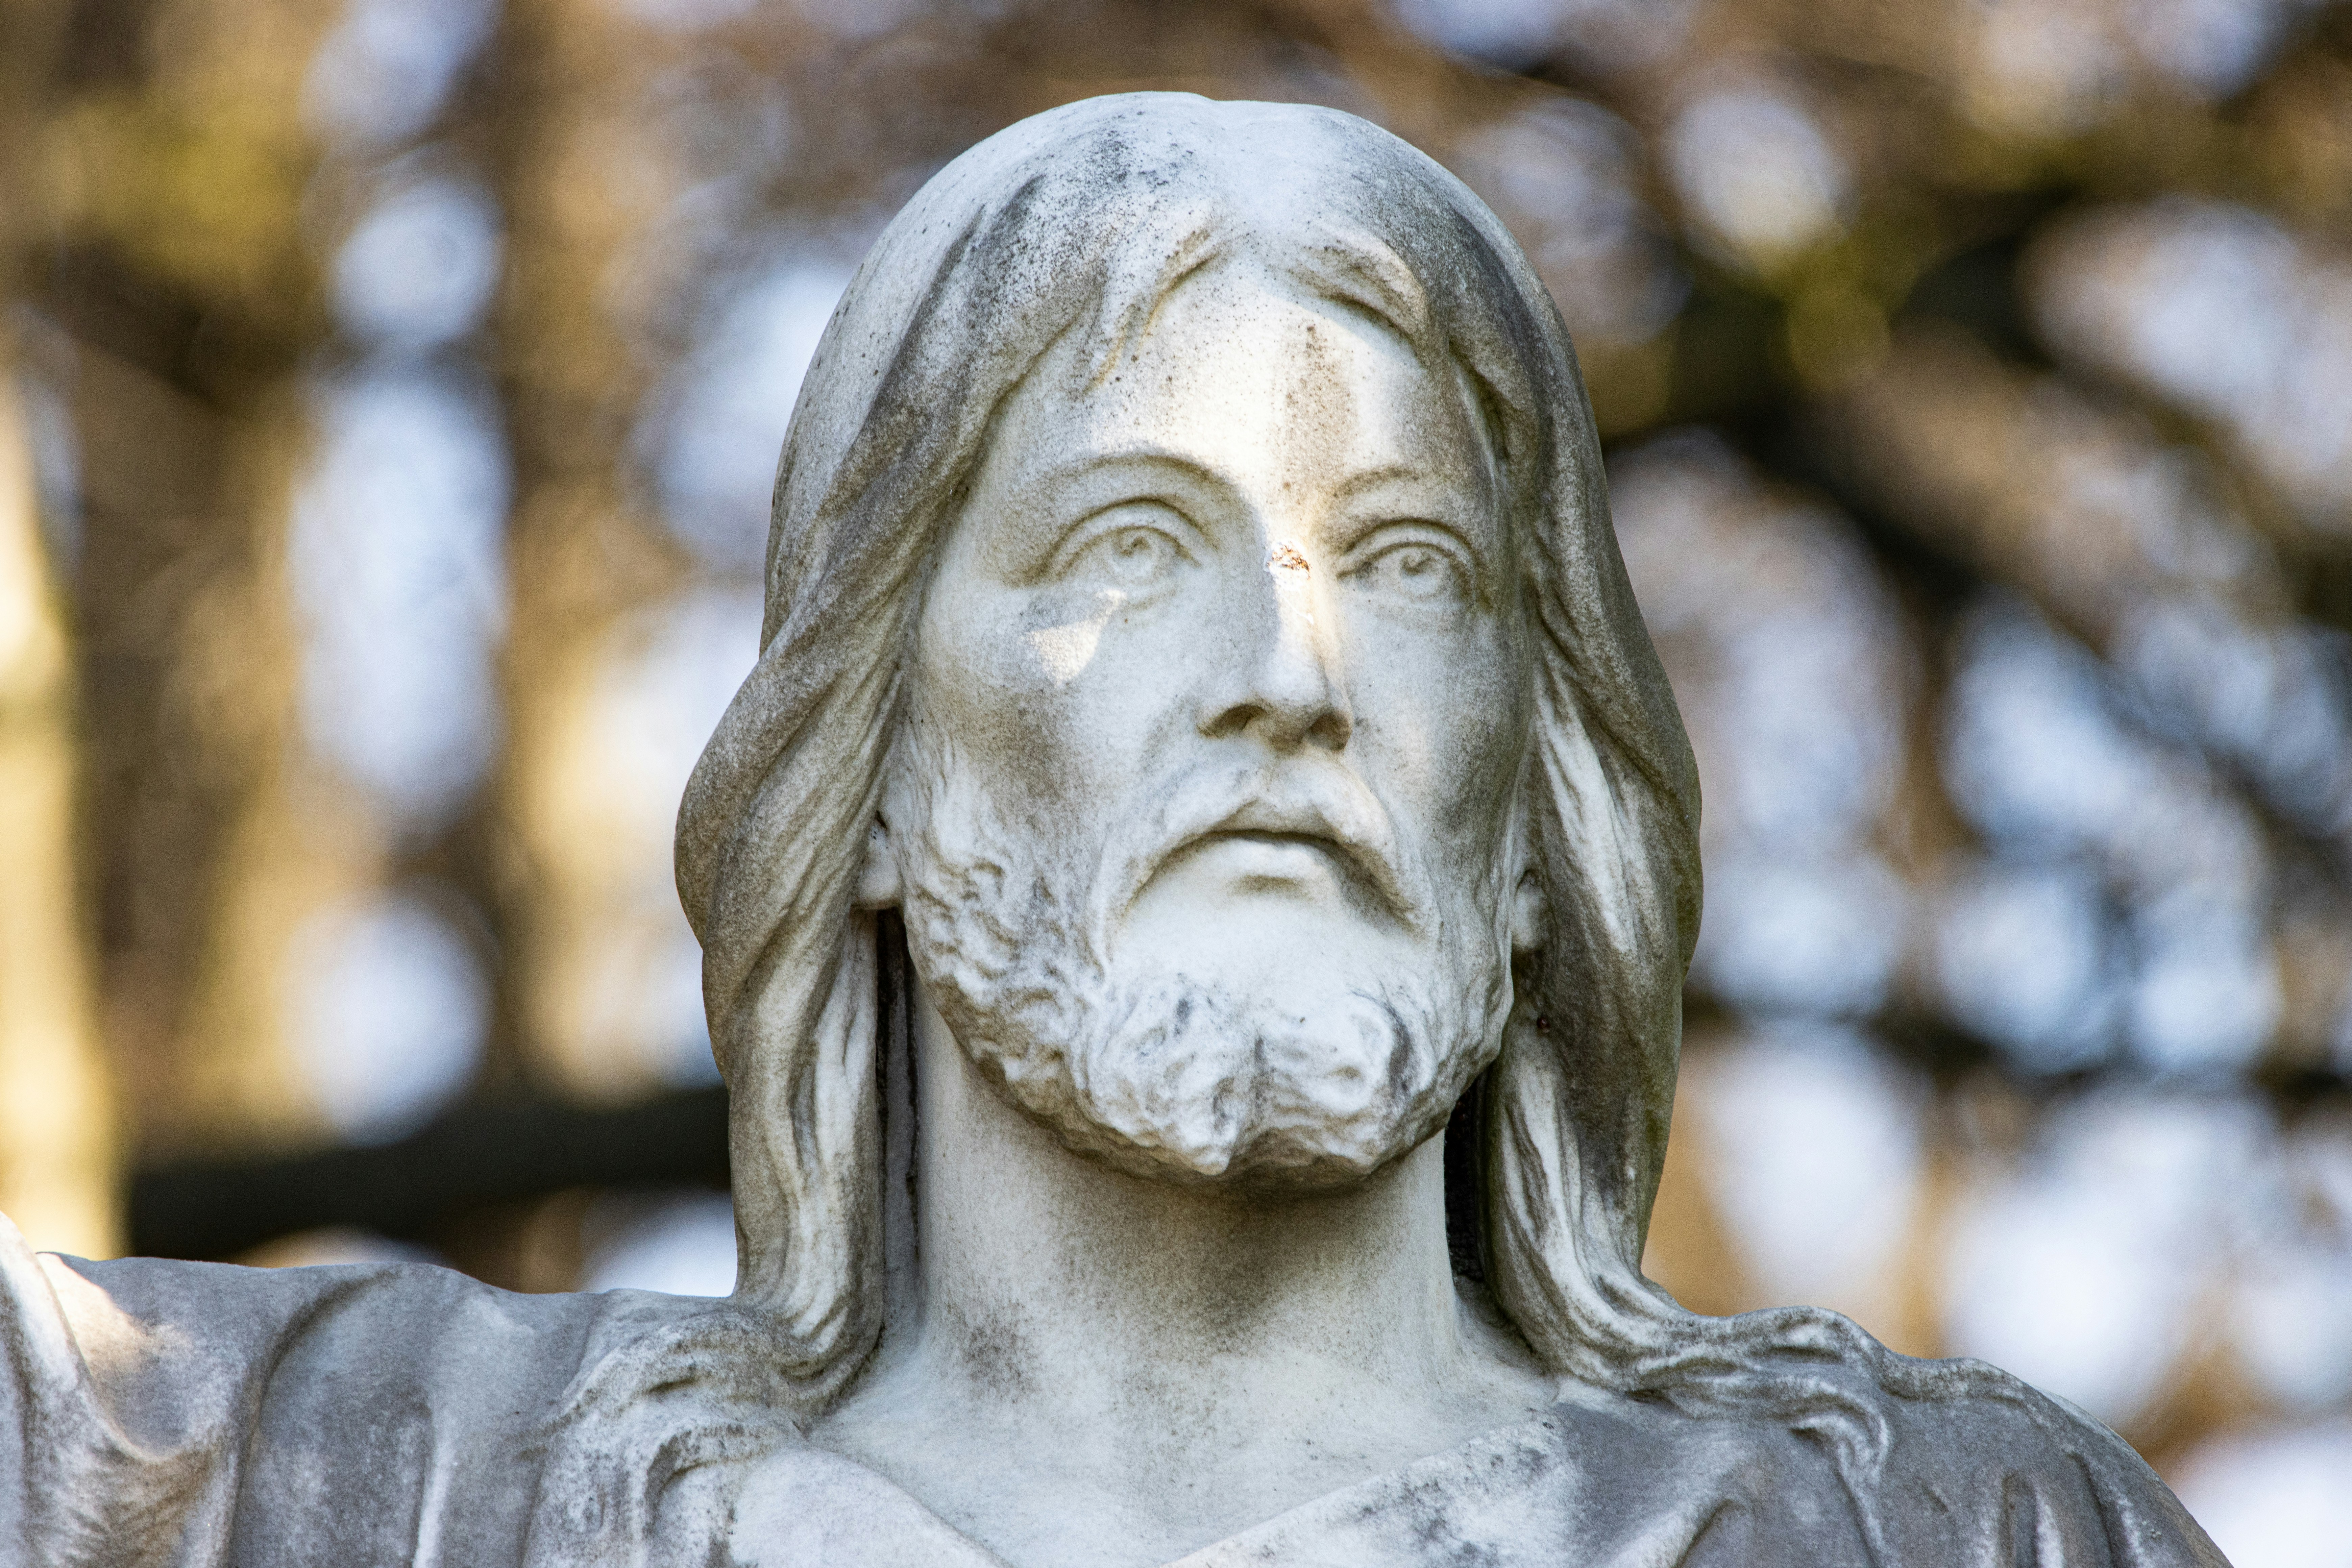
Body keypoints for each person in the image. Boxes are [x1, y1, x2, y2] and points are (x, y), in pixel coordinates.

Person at [0, 94, 2224, 1567]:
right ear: (863, 762)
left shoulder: (1952, 1537)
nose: (1292, 667)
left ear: (1544, 802)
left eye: (1414, 565)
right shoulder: (344, 1483)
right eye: (1135, 543)